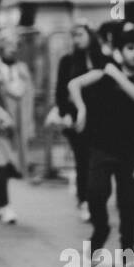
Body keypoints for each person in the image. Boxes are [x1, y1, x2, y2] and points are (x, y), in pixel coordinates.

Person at [68, 29, 134, 251]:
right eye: (130, 48)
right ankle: (101, 228)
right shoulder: (105, 73)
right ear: (120, 51)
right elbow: (74, 84)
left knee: (128, 201)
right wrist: (81, 109)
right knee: (95, 193)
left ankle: (128, 248)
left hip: (131, 150)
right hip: (101, 146)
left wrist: (116, 74)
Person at [56, 23, 102, 221]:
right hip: (77, 118)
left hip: (100, 117)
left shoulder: (101, 59)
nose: (77, 39)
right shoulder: (67, 61)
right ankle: (84, 200)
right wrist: (65, 113)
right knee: (83, 160)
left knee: (97, 161)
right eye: (73, 35)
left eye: (80, 34)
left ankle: (94, 198)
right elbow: (60, 90)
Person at [0, 35, 31, 224]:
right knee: (1, 164)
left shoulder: (22, 70)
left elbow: (28, 95)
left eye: (14, 45)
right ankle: (5, 205)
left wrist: (29, 126)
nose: (12, 48)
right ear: (0, 47)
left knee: (10, 165)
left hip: (18, 125)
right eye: (8, 45)